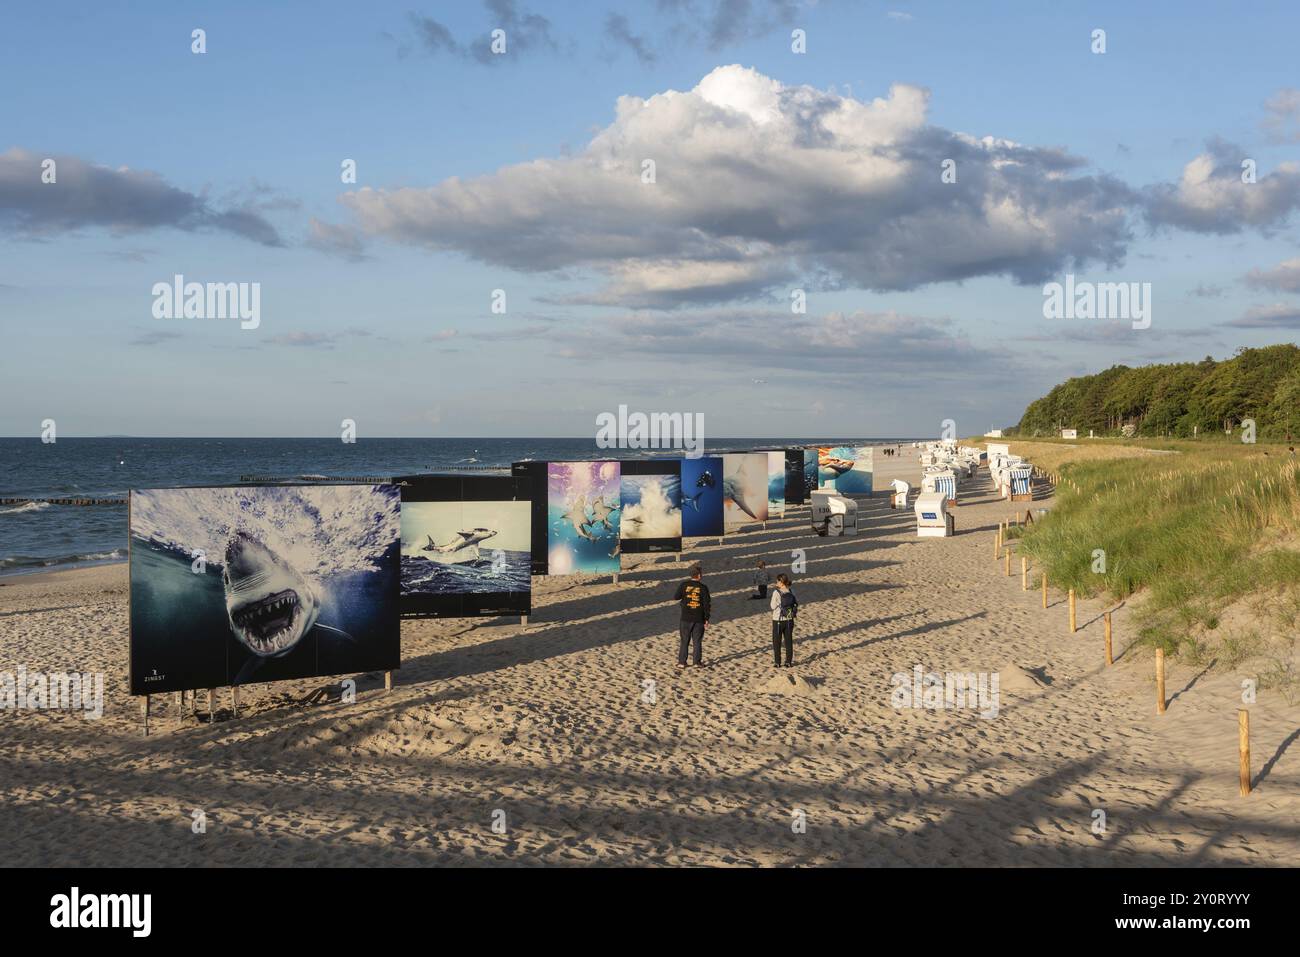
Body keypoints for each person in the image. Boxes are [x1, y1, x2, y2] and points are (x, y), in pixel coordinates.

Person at [673, 565, 711, 669]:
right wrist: (707, 618)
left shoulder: (684, 585)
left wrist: (686, 596)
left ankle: (682, 662)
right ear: (698, 575)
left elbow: (676, 597)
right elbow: (707, 604)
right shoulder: (703, 588)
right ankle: (697, 662)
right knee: (697, 641)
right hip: (698, 618)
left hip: (685, 617)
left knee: (684, 641)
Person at [769, 573, 798, 668]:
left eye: (777, 581)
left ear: (781, 582)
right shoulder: (792, 590)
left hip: (778, 620)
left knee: (777, 642)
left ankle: (777, 662)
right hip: (789, 619)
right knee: (788, 641)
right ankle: (788, 662)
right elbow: (796, 603)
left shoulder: (776, 592)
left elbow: (772, 606)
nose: (776, 582)